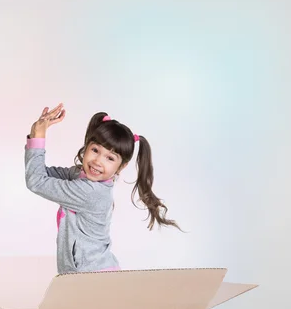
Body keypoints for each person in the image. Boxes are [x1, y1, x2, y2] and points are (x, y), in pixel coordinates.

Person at [25, 103, 181, 274]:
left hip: (93, 277)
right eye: (95, 150)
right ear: (86, 147)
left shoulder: (90, 192)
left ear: (121, 167)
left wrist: (39, 136)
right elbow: (41, 173)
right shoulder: (80, 175)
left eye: (110, 158)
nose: (98, 161)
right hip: (87, 275)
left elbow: (36, 181)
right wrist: (35, 136)